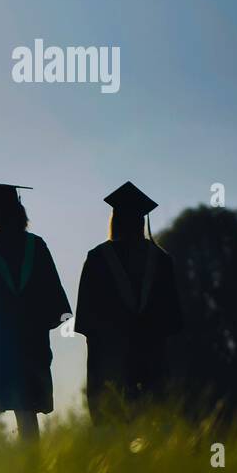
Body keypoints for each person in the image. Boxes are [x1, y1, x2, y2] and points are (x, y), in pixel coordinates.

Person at [0, 183, 70, 441]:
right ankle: (33, 470)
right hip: (29, 344)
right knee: (27, 411)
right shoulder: (36, 248)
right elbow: (55, 300)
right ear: (19, 211)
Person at [74, 182, 183, 424]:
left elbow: (86, 320)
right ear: (141, 222)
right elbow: (174, 320)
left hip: (110, 358)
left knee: (112, 423)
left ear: (115, 219)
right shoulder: (161, 260)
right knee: (153, 419)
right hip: (151, 356)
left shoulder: (98, 258)